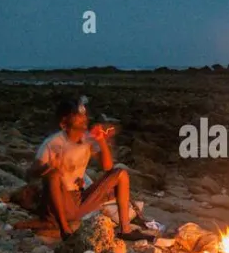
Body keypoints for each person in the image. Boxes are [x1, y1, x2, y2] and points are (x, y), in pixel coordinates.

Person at [28, 97, 152, 240]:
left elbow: (107, 167)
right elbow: (31, 173)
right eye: (78, 117)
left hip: (78, 201)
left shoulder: (87, 140)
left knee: (120, 173)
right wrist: (47, 168)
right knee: (54, 175)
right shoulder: (53, 143)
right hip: (58, 205)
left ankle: (125, 230)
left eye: (84, 116)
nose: (84, 119)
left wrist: (101, 140)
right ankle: (65, 230)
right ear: (64, 124)